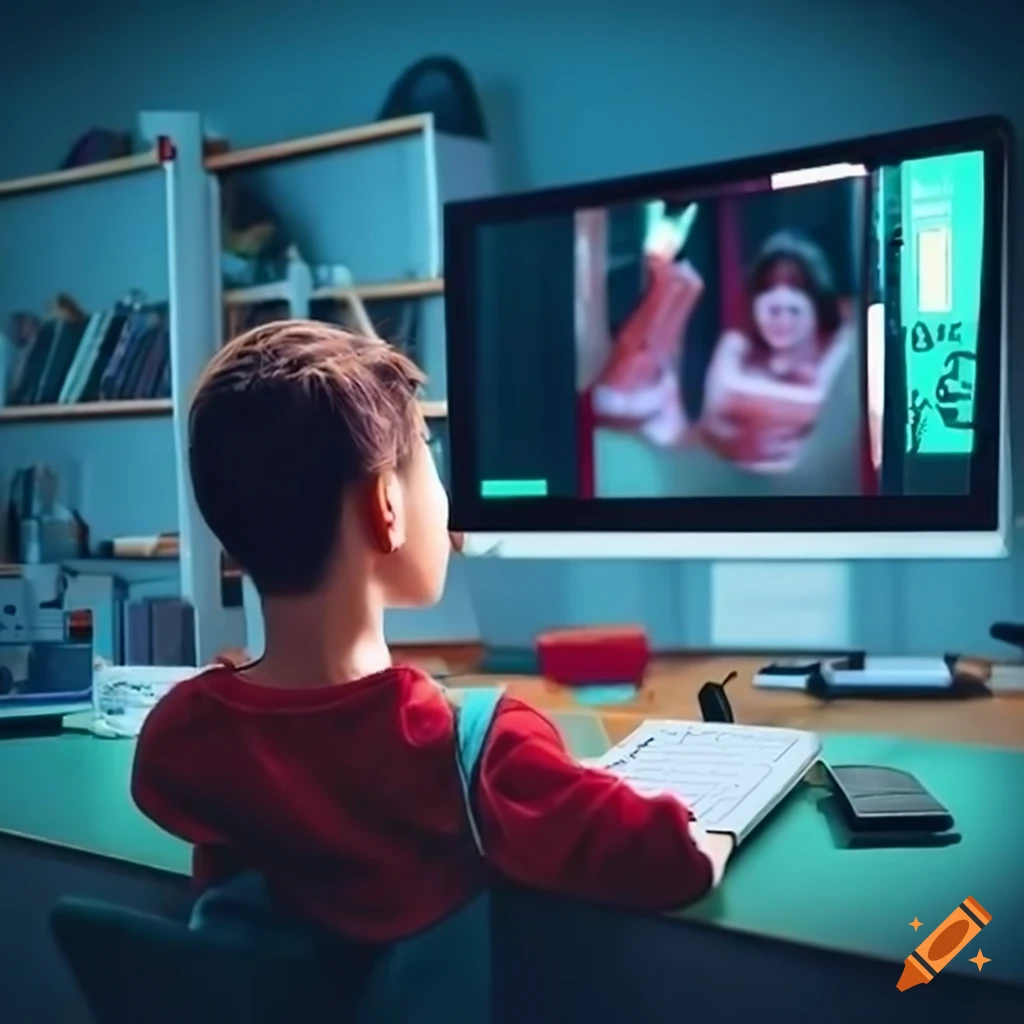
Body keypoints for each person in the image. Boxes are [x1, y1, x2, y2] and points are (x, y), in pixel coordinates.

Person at [130, 320, 733, 947]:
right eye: (429, 464)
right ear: (386, 508)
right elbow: (669, 861)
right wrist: (708, 835)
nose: (448, 502)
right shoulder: (479, 750)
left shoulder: (184, 731)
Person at [591, 207, 853, 473]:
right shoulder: (734, 345)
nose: (781, 308)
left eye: (797, 288)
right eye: (768, 288)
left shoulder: (841, 349)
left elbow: (818, 405)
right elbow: (723, 398)